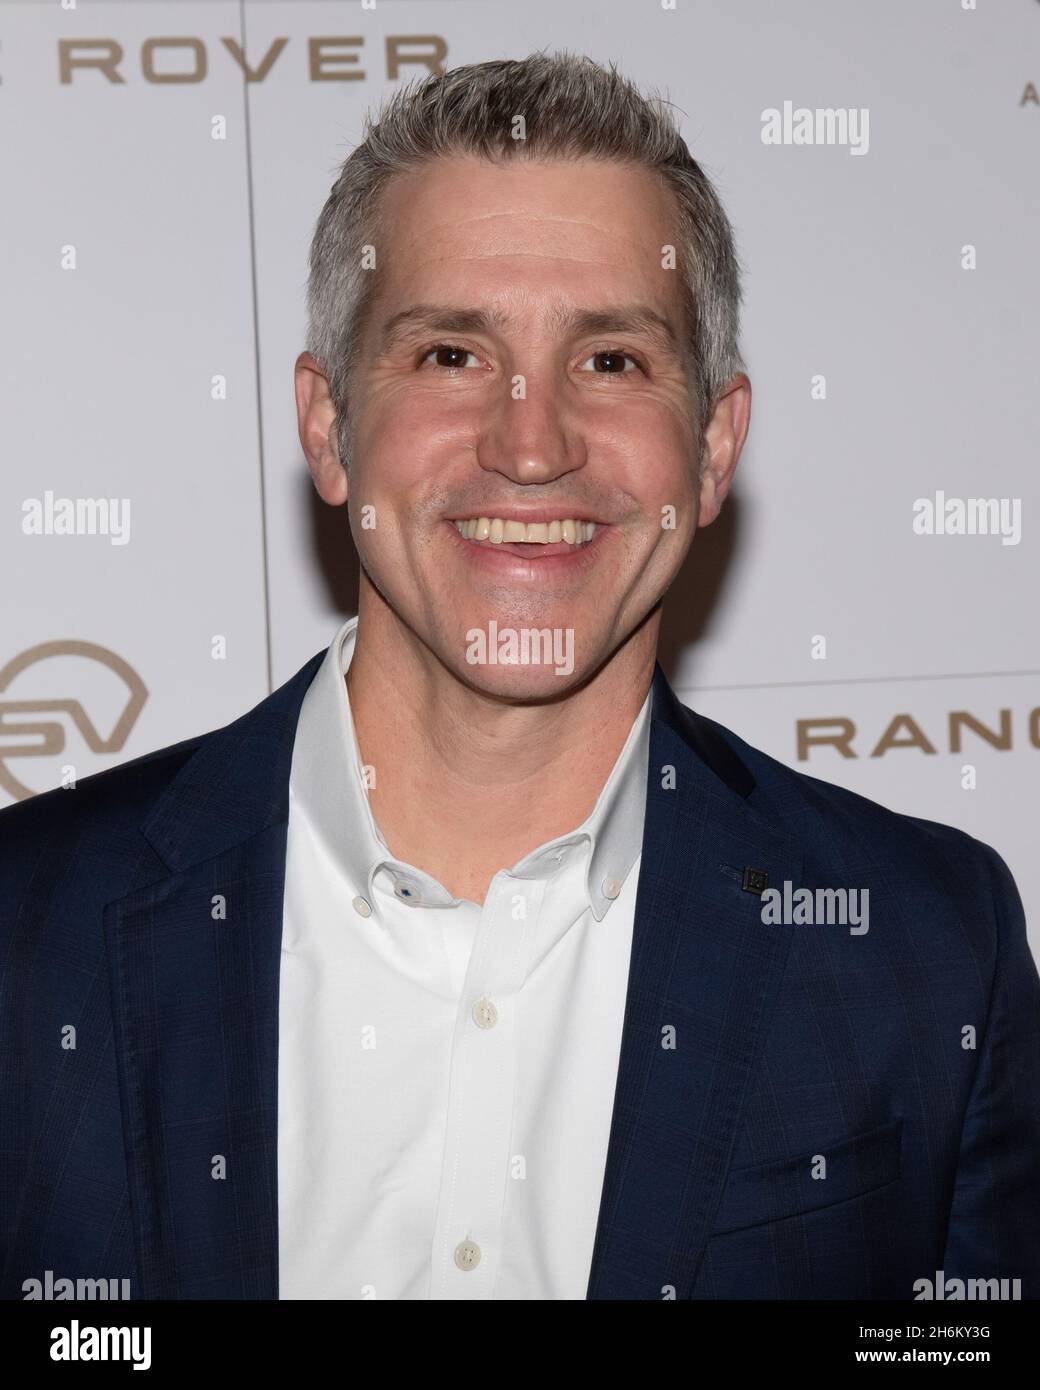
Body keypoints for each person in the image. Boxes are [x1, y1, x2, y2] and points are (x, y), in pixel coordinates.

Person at [1, 51, 1037, 1302]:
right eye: (448, 354)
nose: (530, 443)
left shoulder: (923, 948)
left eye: (610, 360)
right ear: (327, 428)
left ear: (711, 449)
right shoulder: (30, 927)